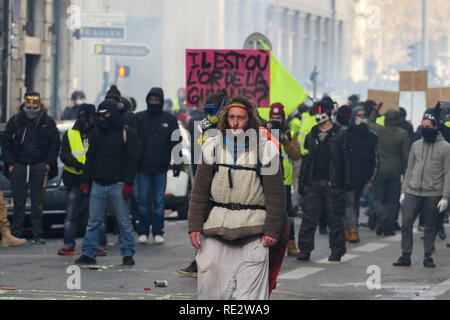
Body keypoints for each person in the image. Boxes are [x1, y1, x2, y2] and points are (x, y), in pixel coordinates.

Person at [188, 95, 286, 300]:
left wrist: (272, 230)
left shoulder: (267, 149)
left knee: (249, 299)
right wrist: (194, 226)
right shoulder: (211, 147)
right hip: (218, 226)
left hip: (254, 230)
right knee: (209, 290)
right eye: (231, 117)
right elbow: (199, 192)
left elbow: (276, 195)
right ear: (226, 119)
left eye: (240, 118)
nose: (235, 122)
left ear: (249, 120)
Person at [74, 99, 138, 266]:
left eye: (106, 114)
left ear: (113, 114)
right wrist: (85, 180)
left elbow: (133, 160)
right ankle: (88, 253)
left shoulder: (127, 133)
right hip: (98, 183)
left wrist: (129, 183)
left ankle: (127, 253)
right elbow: (90, 158)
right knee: (93, 221)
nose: (102, 118)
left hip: (119, 183)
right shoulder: (97, 132)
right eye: (100, 115)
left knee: (124, 221)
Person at [177, 88, 228, 278]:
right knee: (205, 223)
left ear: (222, 109)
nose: (208, 115)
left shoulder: (232, 125)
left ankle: (211, 263)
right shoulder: (203, 126)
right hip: (209, 179)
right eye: (205, 111)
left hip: (225, 180)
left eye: (211, 111)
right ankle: (200, 262)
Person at [2, 91, 61, 244]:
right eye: (29, 101)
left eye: (35, 102)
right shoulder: (15, 121)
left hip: (39, 165)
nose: (32, 105)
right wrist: (10, 164)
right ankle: (16, 232)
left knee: (37, 202)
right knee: (19, 201)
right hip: (19, 165)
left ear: (40, 103)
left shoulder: (47, 122)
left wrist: (48, 163)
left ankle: (37, 233)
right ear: (24, 102)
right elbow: (6, 144)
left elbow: (55, 144)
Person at [393, 113, 450, 268]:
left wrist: (445, 197)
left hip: (433, 193)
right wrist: (404, 190)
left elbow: (448, 173)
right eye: (423, 126)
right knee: (406, 224)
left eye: (428, 127)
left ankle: (428, 256)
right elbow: (410, 168)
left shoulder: (446, 147)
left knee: (430, 226)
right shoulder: (416, 145)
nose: (425, 129)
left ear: (436, 127)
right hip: (412, 191)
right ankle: (405, 255)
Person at [297, 99, 349, 262]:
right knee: (309, 218)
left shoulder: (341, 134)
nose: (319, 116)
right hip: (314, 182)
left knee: (334, 219)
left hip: (333, 183)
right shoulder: (312, 134)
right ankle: (304, 249)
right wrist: (303, 183)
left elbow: (347, 161)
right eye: (317, 113)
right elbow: (306, 161)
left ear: (330, 113)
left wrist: (344, 183)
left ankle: (337, 250)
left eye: (322, 113)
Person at [135, 87, 181, 244]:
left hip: (160, 167)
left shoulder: (169, 119)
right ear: (147, 100)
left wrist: (178, 163)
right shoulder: (139, 118)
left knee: (159, 202)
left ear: (161, 101)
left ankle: (157, 231)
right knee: (143, 201)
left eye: (156, 100)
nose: (154, 103)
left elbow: (176, 142)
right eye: (151, 100)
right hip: (142, 167)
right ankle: (143, 231)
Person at [58, 104, 96, 255]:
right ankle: (69, 244)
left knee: (95, 215)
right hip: (75, 178)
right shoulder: (70, 133)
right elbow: (65, 155)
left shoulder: (98, 133)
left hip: (93, 179)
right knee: (71, 215)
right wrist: (81, 165)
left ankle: (97, 245)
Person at [369, 106, 410, 236]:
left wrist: (375, 111)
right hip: (395, 171)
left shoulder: (379, 130)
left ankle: (382, 217)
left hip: (380, 169)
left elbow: (370, 123)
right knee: (393, 200)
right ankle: (389, 226)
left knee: (377, 198)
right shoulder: (403, 133)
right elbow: (406, 155)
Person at [267, 103, 302, 256]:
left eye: (278, 118)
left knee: (288, 213)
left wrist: (285, 141)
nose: (275, 121)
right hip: (268, 177)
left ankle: (291, 243)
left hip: (285, 180)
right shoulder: (264, 131)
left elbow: (296, 154)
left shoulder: (288, 133)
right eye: (273, 118)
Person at [343, 107, 378, 243]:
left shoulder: (371, 136)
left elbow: (375, 159)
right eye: (359, 115)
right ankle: (352, 229)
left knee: (354, 205)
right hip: (348, 176)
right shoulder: (347, 134)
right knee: (350, 204)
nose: (361, 118)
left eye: (364, 115)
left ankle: (349, 228)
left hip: (363, 178)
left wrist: (371, 179)